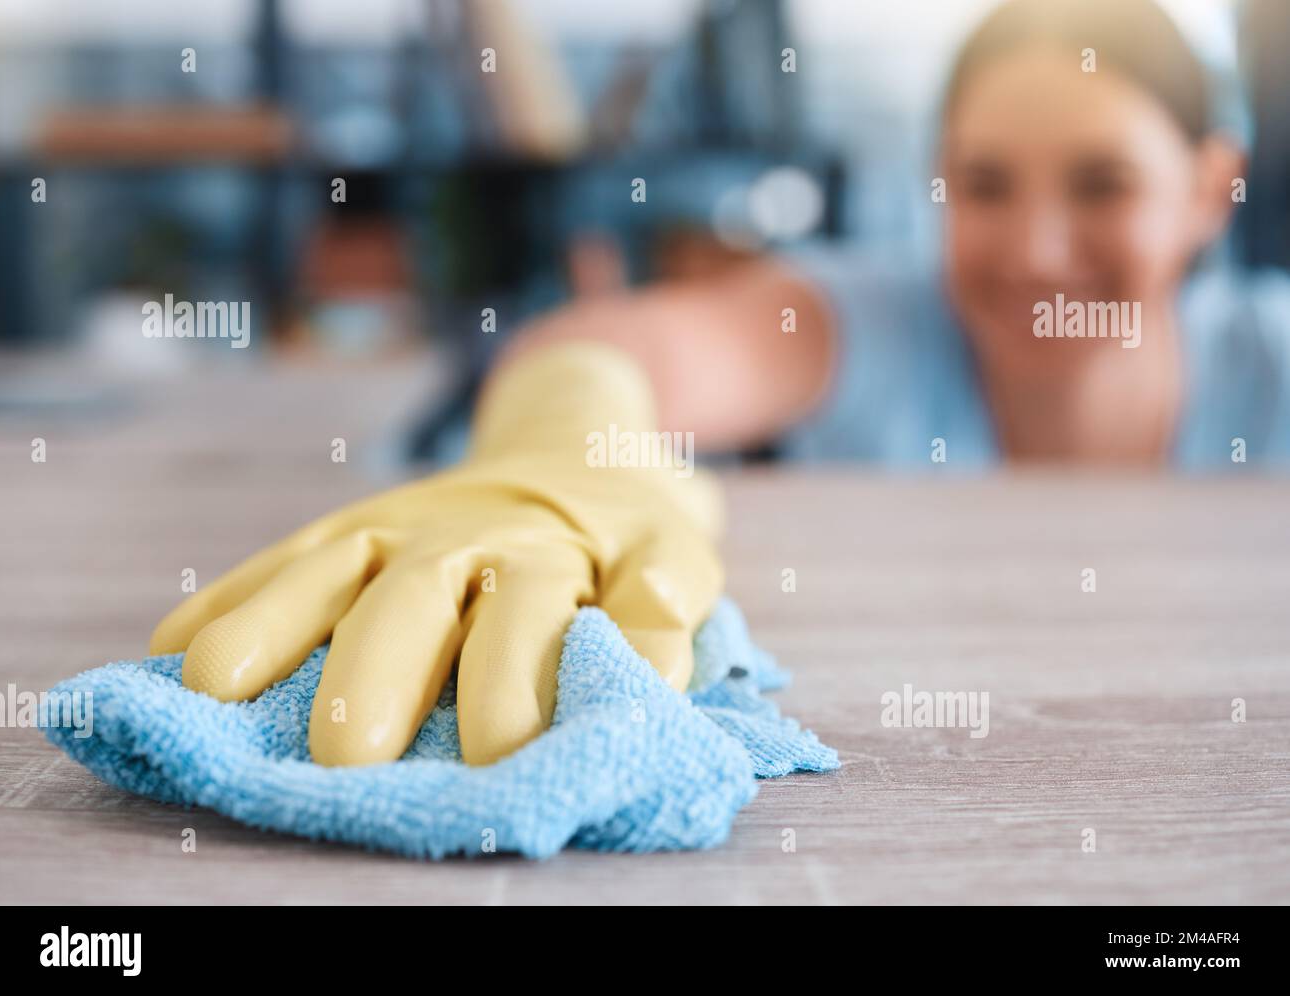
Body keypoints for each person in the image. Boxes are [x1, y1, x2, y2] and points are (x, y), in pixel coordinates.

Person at [152, 0, 1290, 768]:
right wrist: (553, 462)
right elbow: (605, 345)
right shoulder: (863, 322)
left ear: (1207, 189)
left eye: (1101, 185)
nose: (1037, 250)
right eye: (985, 186)